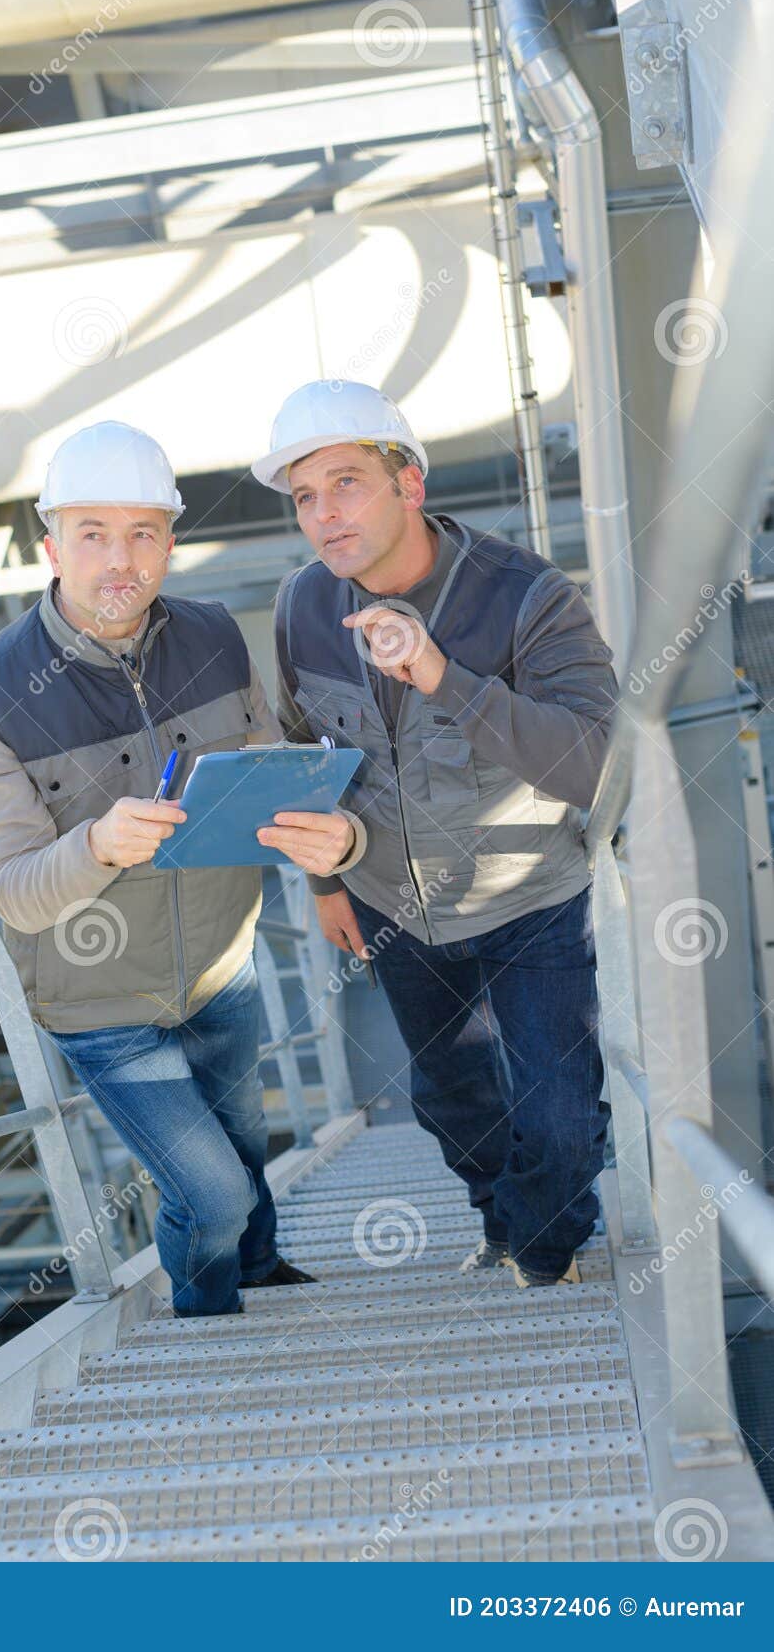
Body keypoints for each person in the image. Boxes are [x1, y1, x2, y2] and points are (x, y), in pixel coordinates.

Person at [0, 420, 364, 1316]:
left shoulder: (213, 636)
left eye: (142, 533)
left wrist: (324, 861)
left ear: (169, 543)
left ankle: (258, 1269)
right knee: (210, 1194)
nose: (119, 560)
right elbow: (14, 895)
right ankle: (207, 1318)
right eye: (92, 534)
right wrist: (95, 845)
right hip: (101, 1003)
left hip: (221, 964)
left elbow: (268, 774)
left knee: (244, 1142)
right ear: (52, 548)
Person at [253, 380, 618, 1288]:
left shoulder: (525, 596)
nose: (323, 514)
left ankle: (545, 1248)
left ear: (408, 484)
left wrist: (440, 676)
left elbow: (596, 765)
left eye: (345, 483)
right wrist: (327, 885)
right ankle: (503, 1227)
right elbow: (305, 750)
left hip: (529, 901)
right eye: (304, 496)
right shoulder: (302, 606)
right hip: (393, 908)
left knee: (562, 1118)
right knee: (452, 1102)